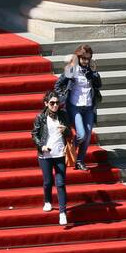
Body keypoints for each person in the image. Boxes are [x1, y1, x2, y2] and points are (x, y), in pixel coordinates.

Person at [55, 44, 103, 170]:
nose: (85, 61)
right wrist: (62, 97)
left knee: (87, 137)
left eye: (88, 58)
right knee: (81, 134)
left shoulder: (91, 70)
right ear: (78, 57)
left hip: (88, 107)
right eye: (83, 58)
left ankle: (80, 160)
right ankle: (69, 149)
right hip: (74, 106)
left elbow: (99, 85)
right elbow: (58, 85)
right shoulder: (71, 69)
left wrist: (94, 72)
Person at [32, 89, 71, 227]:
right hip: (45, 155)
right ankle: (48, 201)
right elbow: (34, 134)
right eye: (52, 103)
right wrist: (41, 146)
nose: (55, 105)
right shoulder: (40, 118)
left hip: (60, 154)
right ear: (46, 103)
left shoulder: (63, 115)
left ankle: (62, 212)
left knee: (60, 183)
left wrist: (65, 130)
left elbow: (70, 133)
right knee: (48, 181)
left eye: (57, 103)